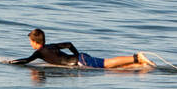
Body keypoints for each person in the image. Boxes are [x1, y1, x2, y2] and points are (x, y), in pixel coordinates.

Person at [11, 28, 154, 69]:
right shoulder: (50, 46)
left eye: (30, 41)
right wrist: (78, 55)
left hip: (80, 61)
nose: (30, 44)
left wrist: (10, 62)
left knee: (108, 63)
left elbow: (26, 60)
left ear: (35, 42)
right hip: (81, 58)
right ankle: (137, 64)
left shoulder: (39, 52)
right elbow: (69, 44)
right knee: (111, 69)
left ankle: (136, 57)